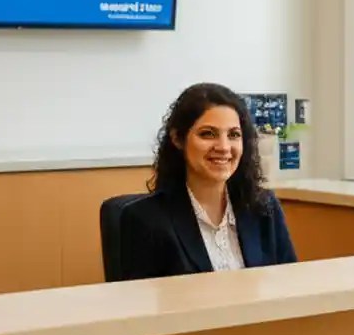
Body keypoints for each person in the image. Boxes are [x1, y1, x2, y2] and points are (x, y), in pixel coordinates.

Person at [117, 83, 297, 280]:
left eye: (234, 135)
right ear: (178, 139)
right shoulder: (145, 219)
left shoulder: (264, 207)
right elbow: (141, 304)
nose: (224, 147)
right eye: (208, 134)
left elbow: (288, 285)